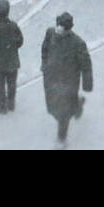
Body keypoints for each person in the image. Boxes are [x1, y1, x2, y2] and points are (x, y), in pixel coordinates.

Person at [41, 12, 92, 148]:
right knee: (52, 108)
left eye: (61, 27)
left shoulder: (78, 43)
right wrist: (44, 65)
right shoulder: (50, 33)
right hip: (51, 79)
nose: (58, 29)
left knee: (63, 112)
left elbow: (86, 65)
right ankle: (77, 105)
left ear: (68, 28)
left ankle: (61, 139)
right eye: (57, 25)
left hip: (68, 83)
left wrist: (87, 84)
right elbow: (44, 49)